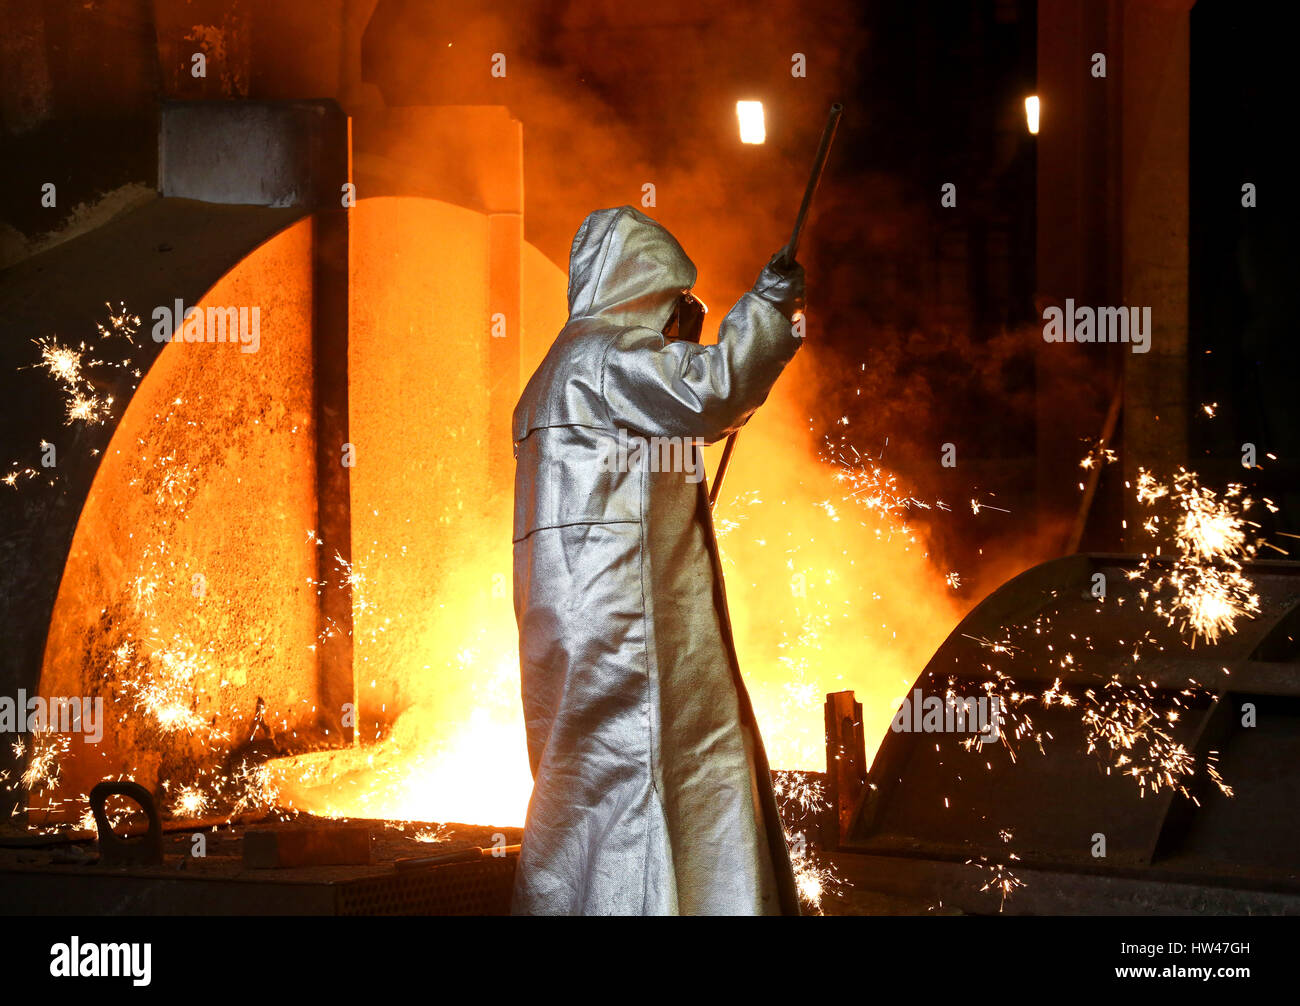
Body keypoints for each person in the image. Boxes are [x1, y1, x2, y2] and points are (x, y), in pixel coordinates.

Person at [510, 205, 805, 915]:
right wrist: (769, 304)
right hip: (630, 623)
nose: (678, 317)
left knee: (581, 787)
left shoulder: (548, 377)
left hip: (565, 626)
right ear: (642, 284)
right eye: (674, 300)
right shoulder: (610, 357)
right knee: (665, 771)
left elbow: (656, 439)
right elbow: (713, 390)